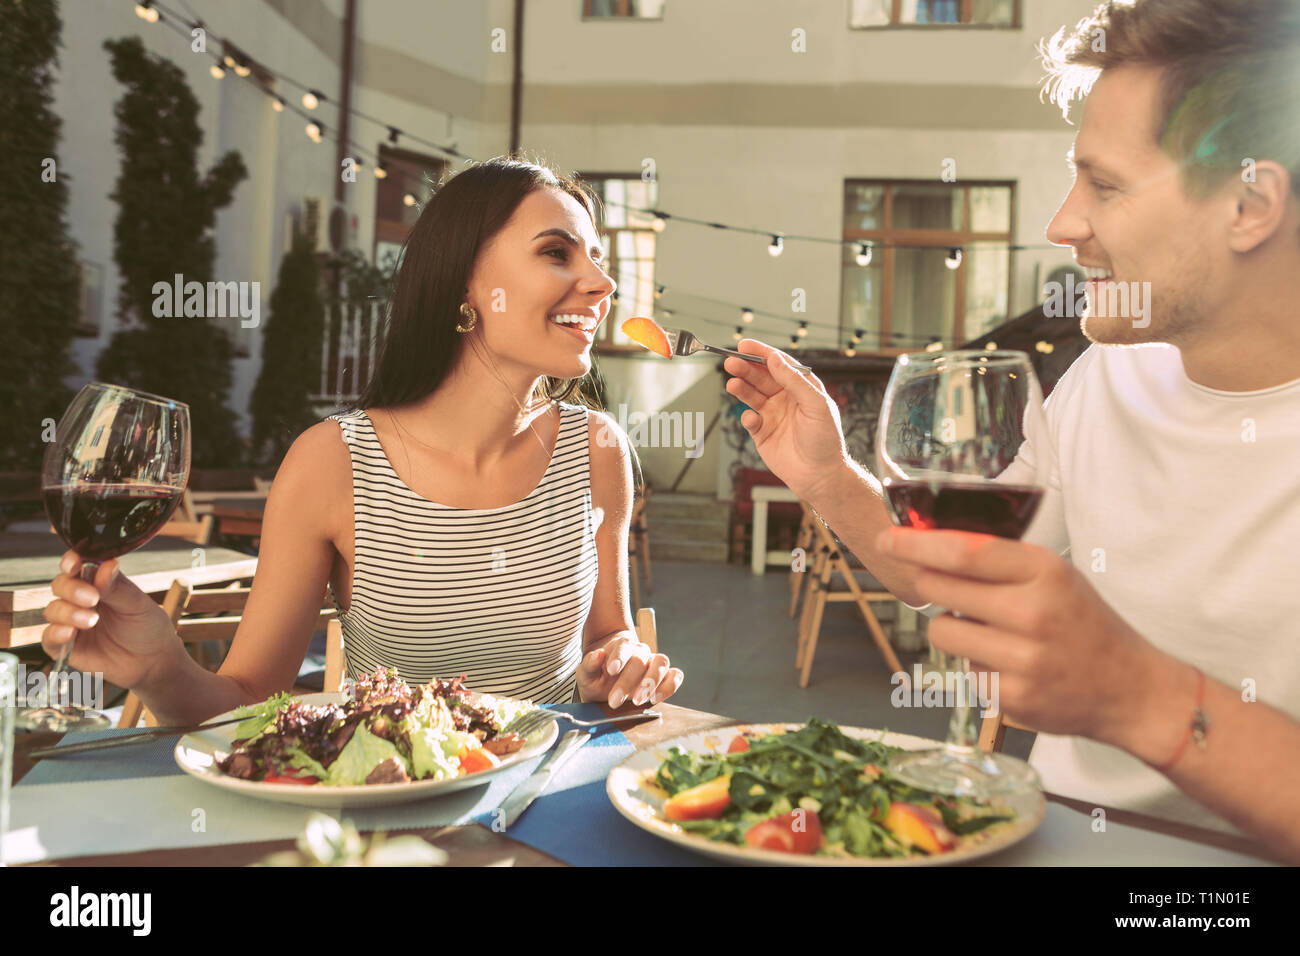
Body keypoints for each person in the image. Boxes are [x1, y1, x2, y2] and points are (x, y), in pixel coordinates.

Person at [724, 0, 1300, 860]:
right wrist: (830, 478)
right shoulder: (1109, 373)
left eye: (1104, 185)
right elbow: (957, 574)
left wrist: (1137, 696)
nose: (1062, 225)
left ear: (1249, 203)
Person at [40, 156, 684, 724]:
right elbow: (244, 702)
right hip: (388, 816)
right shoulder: (333, 462)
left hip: (548, 809)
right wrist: (162, 669)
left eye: (598, 259)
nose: (602, 285)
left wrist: (620, 663)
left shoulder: (598, 450)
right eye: (557, 252)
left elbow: (608, 637)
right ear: (465, 282)